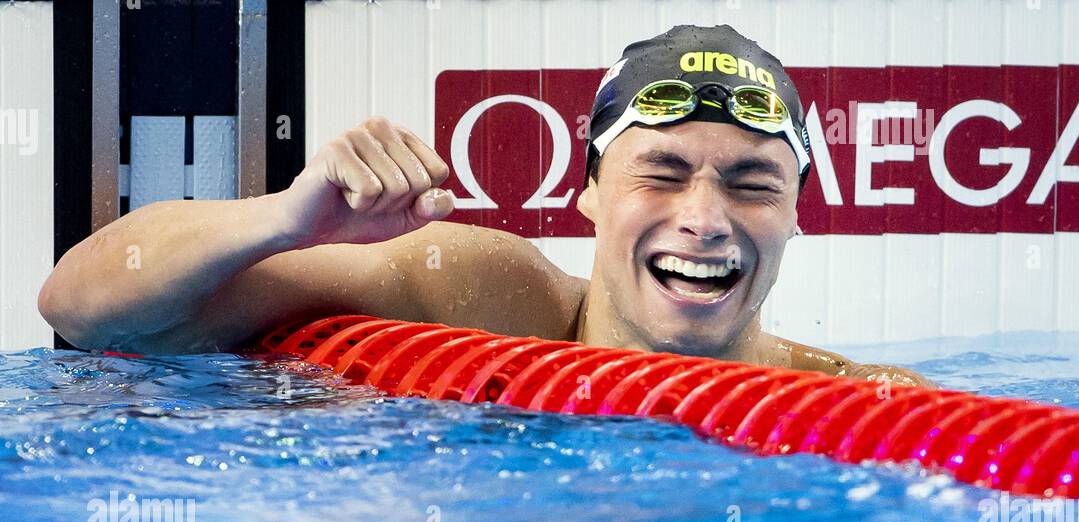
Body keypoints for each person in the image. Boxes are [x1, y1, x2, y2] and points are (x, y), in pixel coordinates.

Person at [39, 23, 926, 385]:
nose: (704, 216)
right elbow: (76, 307)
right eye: (660, 172)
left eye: (751, 183)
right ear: (586, 194)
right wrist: (282, 223)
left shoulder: (865, 402)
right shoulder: (477, 294)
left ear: (798, 212)